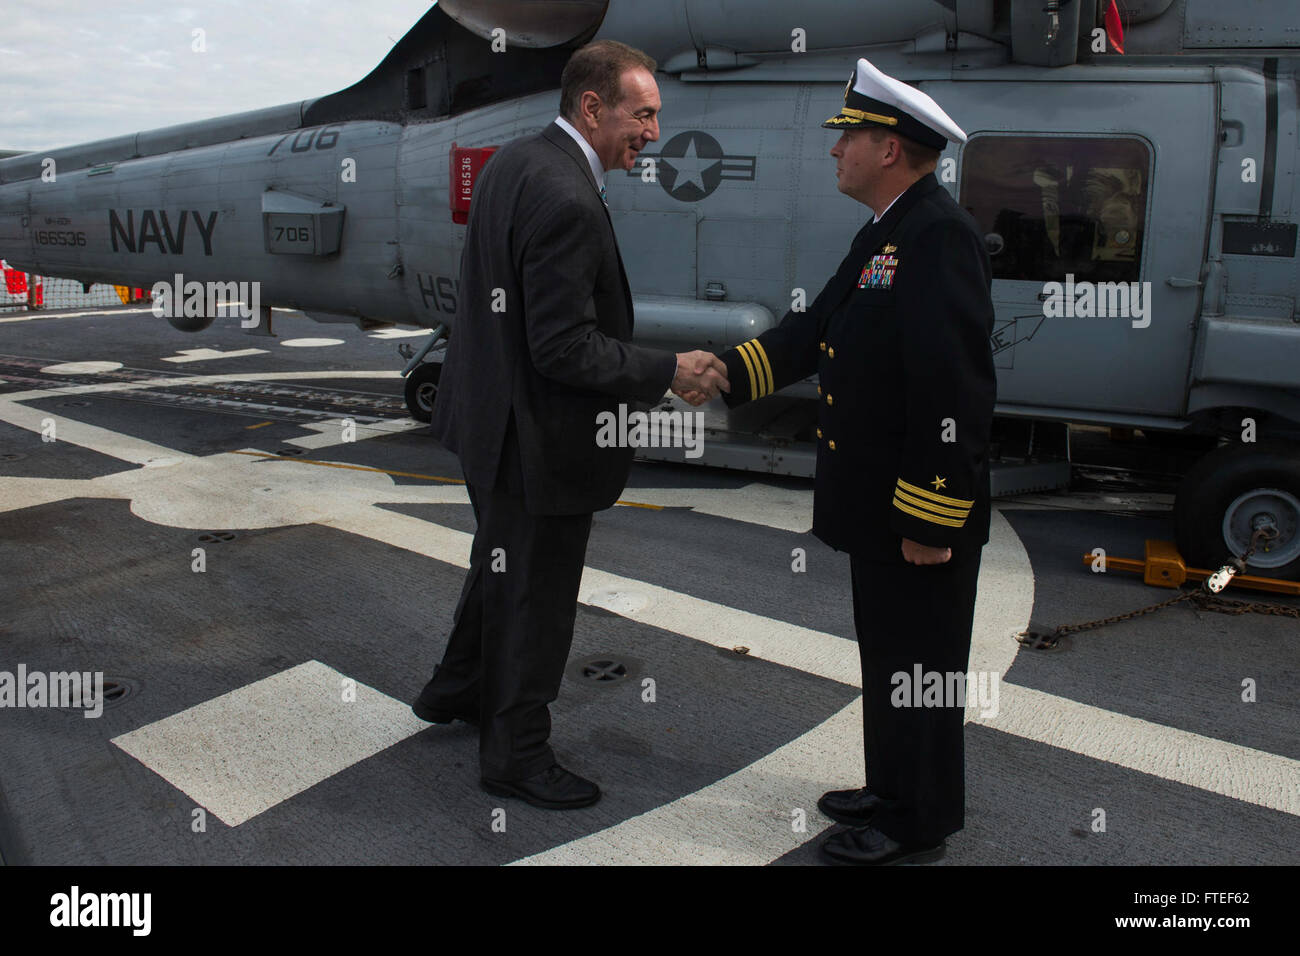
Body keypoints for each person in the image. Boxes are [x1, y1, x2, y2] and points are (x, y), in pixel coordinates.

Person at [412, 39, 728, 810]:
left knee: (499, 566)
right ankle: (516, 754)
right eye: (643, 114)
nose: (653, 133)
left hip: (490, 421)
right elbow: (561, 346)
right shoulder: (567, 197)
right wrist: (667, 371)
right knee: (535, 597)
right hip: (537, 441)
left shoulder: (516, 162)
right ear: (593, 107)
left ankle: (455, 689)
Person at [715, 57, 996, 864]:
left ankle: (919, 823)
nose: (834, 153)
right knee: (891, 654)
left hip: (915, 507)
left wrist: (932, 517)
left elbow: (953, 390)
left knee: (924, 667)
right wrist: (723, 372)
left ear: (891, 148)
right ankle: (890, 787)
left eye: (850, 138)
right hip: (879, 507)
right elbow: (815, 333)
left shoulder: (938, 236)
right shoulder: (888, 231)